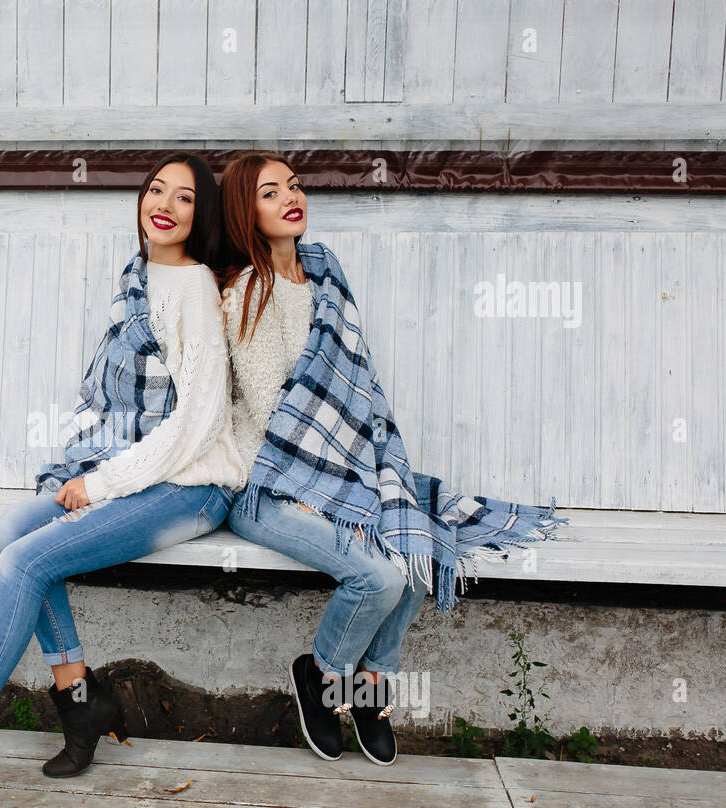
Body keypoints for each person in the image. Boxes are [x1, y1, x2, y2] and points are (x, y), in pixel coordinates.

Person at [0, 152, 248, 808]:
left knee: (25, 559)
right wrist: (91, 470)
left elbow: (201, 422)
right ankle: (81, 700)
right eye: (155, 189)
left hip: (192, 485)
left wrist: (101, 484)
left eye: (183, 198)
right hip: (141, 469)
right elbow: (107, 395)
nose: (162, 203)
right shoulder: (139, 277)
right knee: (15, 528)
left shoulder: (190, 290)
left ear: (201, 216)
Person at [216, 151, 567, 766]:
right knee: (377, 574)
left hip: (343, 467)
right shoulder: (249, 291)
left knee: (414, 545)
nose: (291, 197)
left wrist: (368, 475)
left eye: (294, 186)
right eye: (271, 192)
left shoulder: (324, 274)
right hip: (269, 484)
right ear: (247, 210)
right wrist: (321, 490)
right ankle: (322, 677)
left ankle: (371, 683)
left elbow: (356, 382)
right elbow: (277, 405)